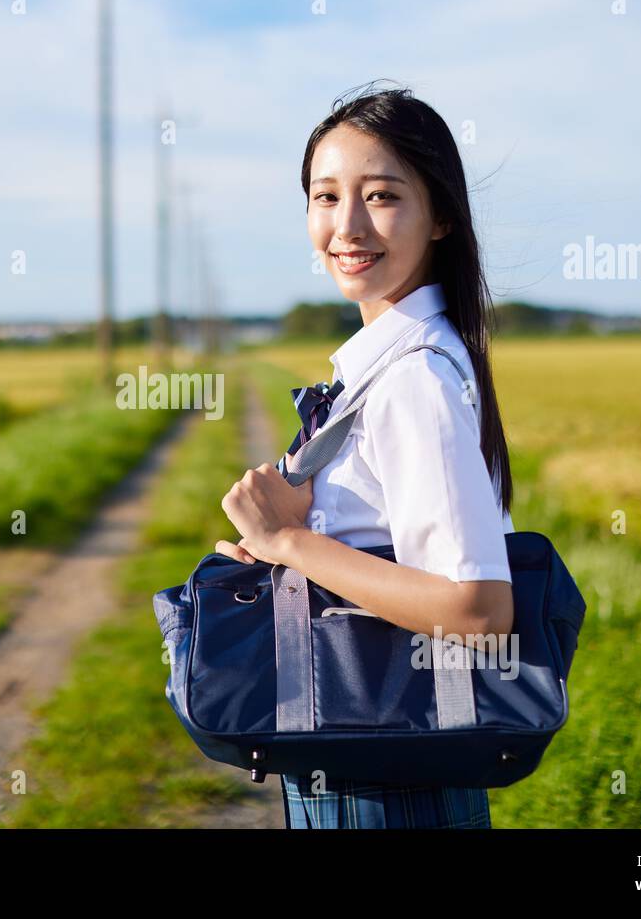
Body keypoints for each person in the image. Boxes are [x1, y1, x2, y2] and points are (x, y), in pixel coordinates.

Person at [216, 82, 516, 829]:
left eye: (381, 196)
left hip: (393, 788)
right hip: (372, 759)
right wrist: (288, 559)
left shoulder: (415, 377)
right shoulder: (386, 369)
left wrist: (292, 540)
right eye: (325, 197)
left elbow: (479, 611)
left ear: (440, 214)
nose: (346, 225)